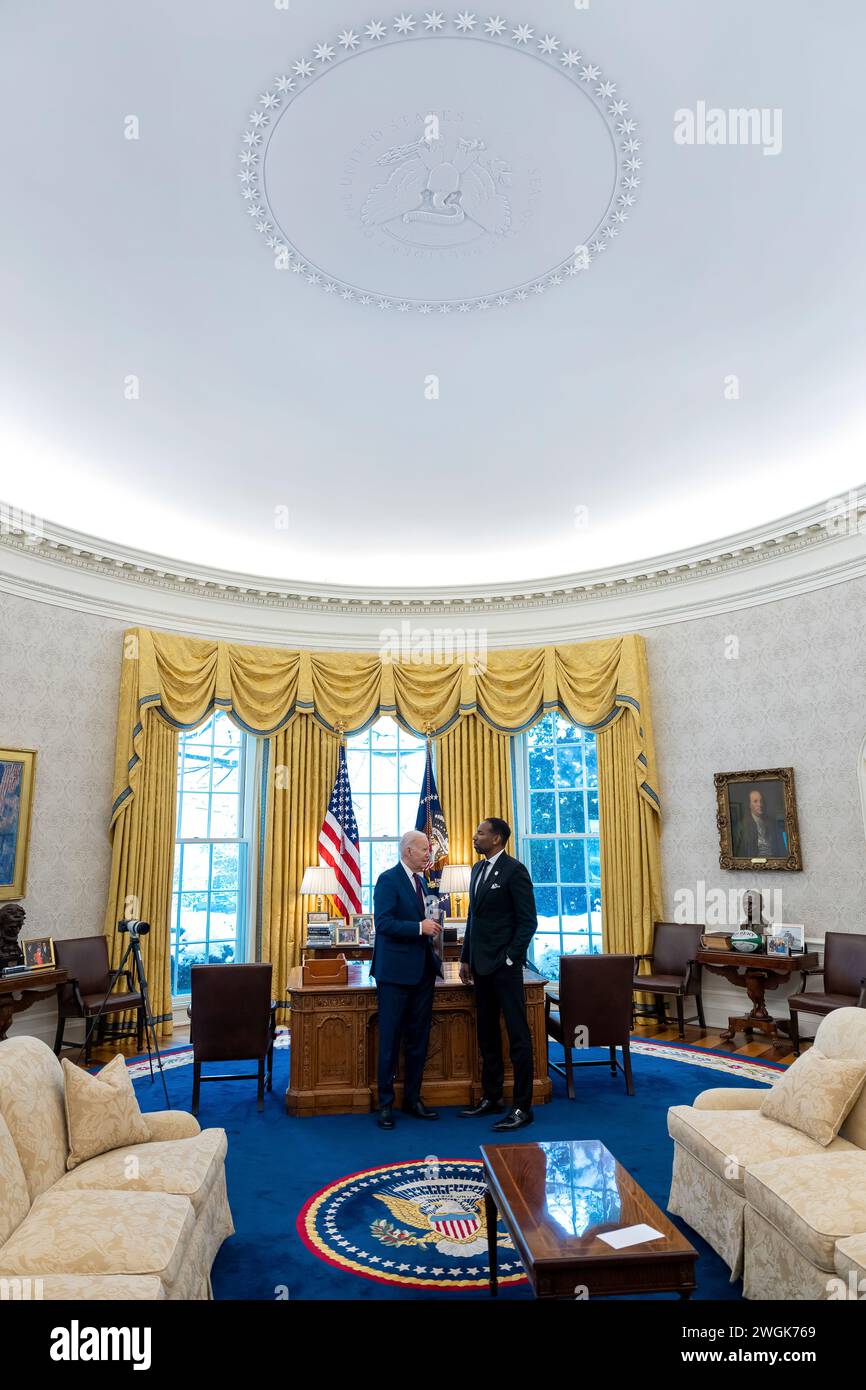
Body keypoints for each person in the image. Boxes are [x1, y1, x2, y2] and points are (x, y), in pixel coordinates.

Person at [458, 817, 538, 1131]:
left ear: (497, 838)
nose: (475, 836)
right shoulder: (476, 870)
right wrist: (466, 958)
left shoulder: (515, 871)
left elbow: (528, 922)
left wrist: (510, 959)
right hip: (479, 968)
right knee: (487, 1034)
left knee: (518, 1036)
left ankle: (522, 1107)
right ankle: (492, 1098)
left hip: (504, 969)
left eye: (480, 832)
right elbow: (473, 919)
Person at [371, 830, 443, 1130]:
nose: (429, 853)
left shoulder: (423, 881)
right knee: (389, 1040)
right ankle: (386, 1105)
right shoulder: (388, 880)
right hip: (395, 975)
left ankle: (413, 1099)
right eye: (425, 849)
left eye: (429, 849)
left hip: (423, 973)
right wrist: (419, 927)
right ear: (407, 851)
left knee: (418, 1040)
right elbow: (384, 923)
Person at [734, 787, 786, 858]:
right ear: (749, 805)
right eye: (755, 801)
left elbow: (781, 848)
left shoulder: (772, 823)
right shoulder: (742, 826)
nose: (760, 804)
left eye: (761, 801)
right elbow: (740, 853)